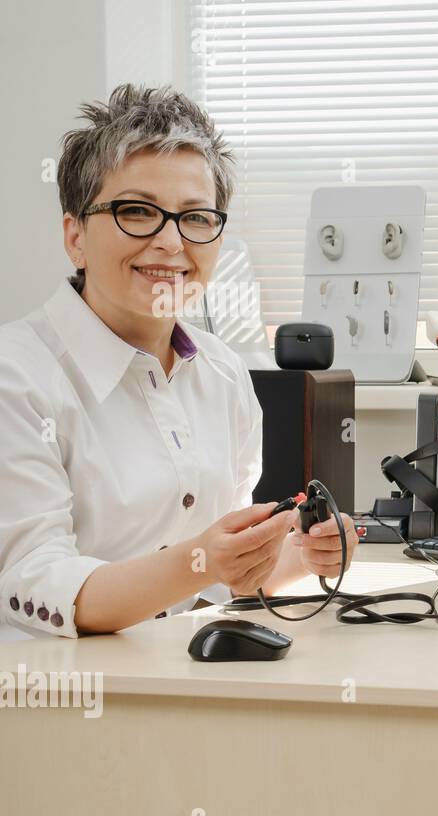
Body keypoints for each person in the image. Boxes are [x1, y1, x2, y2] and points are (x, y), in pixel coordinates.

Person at [0, 85, 357, 638]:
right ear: (75, 236)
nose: (171, 242)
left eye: (195, 218)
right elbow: (35, 585)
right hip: (62, 699)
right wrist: (203, 559)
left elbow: (224, 582)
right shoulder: (16, 376)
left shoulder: (222, 372)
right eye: (136, 211)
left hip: (192, 679)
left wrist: (301, 556)